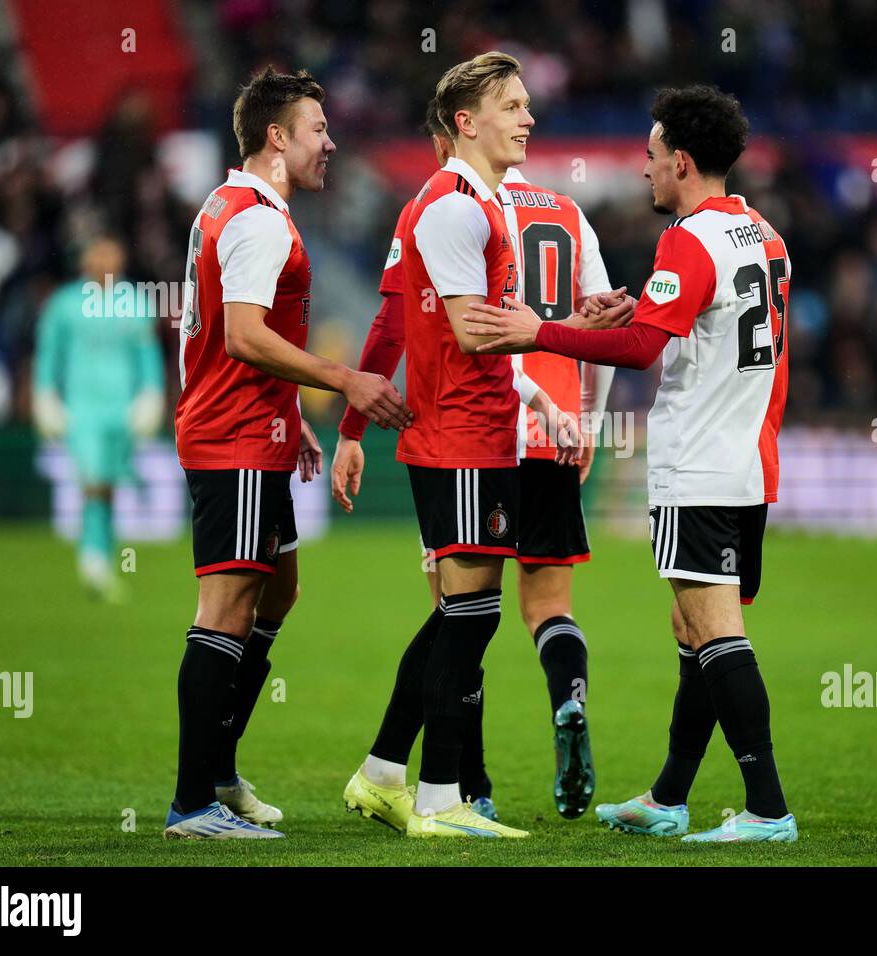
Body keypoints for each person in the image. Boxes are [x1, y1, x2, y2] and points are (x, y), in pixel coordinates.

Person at [466, 84, 797, 844]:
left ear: (681, 162)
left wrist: (538, 333)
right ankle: (670, 797)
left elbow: (645, 349)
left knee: (715, 633)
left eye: (650, 157)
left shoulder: (686, 239)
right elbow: (698, 328)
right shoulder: (764, 235)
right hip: (748, 460)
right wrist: (637, 311)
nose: (644, 171)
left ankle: (767, 808)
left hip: (700, 466)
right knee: (692, 628)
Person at [332, 97, 621, 822]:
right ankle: (529, 729)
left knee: (459, 617)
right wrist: (579, 410)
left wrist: (351, 426)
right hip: (509, 428)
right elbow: (588, 323)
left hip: (492, 425)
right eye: (513, 109)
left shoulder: (459, 209)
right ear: (460, 130)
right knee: (521, 611)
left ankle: (458, 784)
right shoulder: (539, 210)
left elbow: (392, 323)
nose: (526, 121)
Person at [165, 66, 412, 839]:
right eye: (317, 128)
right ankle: (191, 804)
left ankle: (219, 768)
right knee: (226, 609)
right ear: (277, 138)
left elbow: (228, 334)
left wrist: (289, 414)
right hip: (230, 438)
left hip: (258, 428)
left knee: (279, 593)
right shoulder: (261, 220)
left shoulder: (231, 202)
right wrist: (342, 379)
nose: (330, 142)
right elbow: (240, 334)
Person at [32, 235, 164, 602]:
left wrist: (151, 392)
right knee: (92, 479)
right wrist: (45, 394)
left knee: (108, 485)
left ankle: (101, 558)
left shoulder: (134, 302)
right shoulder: (65, 304)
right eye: (98, 256)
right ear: (86, 262)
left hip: (121, 408)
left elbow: (147, 354)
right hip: (82, 406)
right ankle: (92, 559)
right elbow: (49, 353)